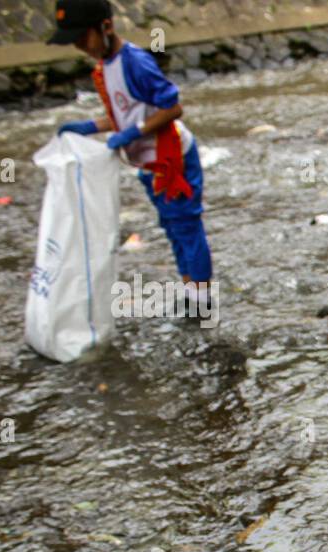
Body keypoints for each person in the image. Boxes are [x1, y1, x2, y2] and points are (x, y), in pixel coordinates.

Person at [49, 0, 213, 316]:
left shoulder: (135, 62)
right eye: (76, 42)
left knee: (186, 226)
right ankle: (190, 289)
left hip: (172, 159)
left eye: (84, 38)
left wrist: (133, 132)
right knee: (171, 226)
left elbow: (172, 108)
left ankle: (203, 301)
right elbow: (125, 115)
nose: (81, 47)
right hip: (148, 162)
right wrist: (90, 127)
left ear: (106, 27)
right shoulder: (104, 69)